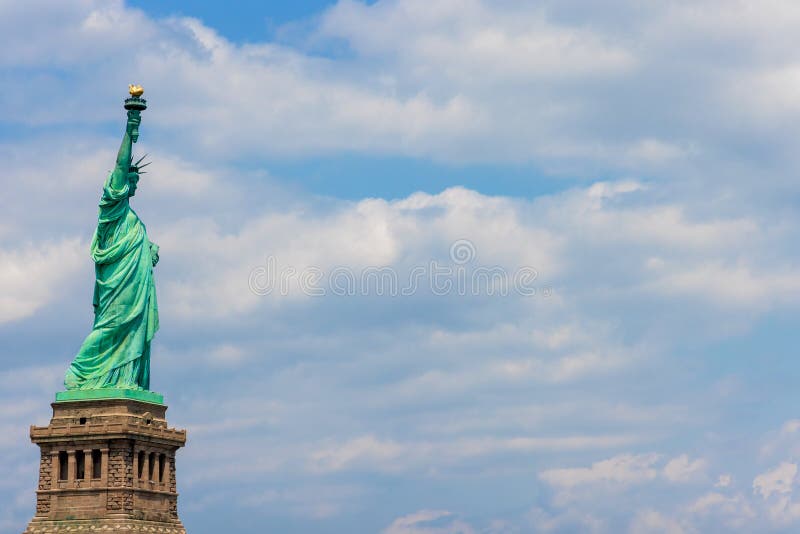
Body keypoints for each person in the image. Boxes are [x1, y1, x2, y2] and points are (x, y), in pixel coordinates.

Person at [64, 109, 159, 390]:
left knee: (131, 329)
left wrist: (148, 250)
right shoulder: (112, 207)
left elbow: (132, 244)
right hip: (118, 285)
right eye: (133, 180)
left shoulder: (130, 216)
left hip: (134, 285)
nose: (135, 185)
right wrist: (131, 128)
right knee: (112, 326)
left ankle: (125, 379)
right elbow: (120, 166)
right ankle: (80, 372)